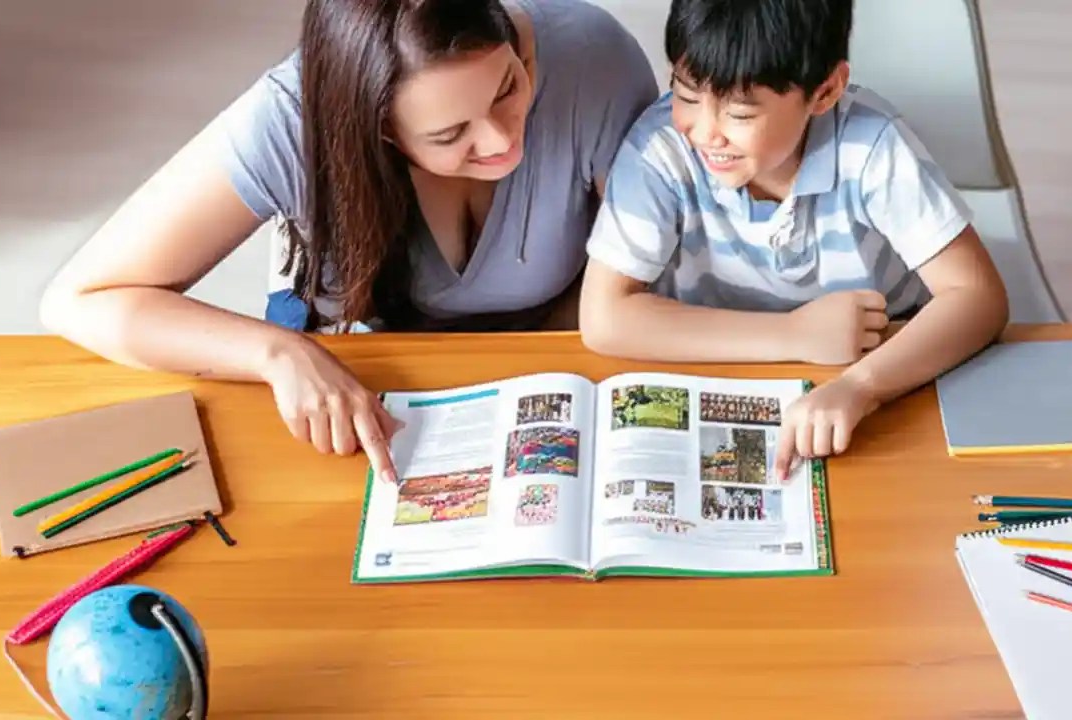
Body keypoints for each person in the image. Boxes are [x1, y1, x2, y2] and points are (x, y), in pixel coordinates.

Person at [38, 0, 658, 483]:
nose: (501, 142)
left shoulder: (593, 63)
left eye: (508, 87)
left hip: (557, 365)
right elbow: (82, 298)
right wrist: (278, 355)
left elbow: (643, 272)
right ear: (375, 129)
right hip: (362, 378)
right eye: (449, 135)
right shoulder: (290, 120)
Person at [579, 0, 1009, 474]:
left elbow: (977, 296)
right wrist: (794, 333)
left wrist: (862, 387)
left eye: (739, 114)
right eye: (684, 93)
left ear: (824, 92)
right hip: (715, 368)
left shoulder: (870, 147)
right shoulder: (659, 150)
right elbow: (604, 318)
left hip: (876, 372)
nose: (703, 132)